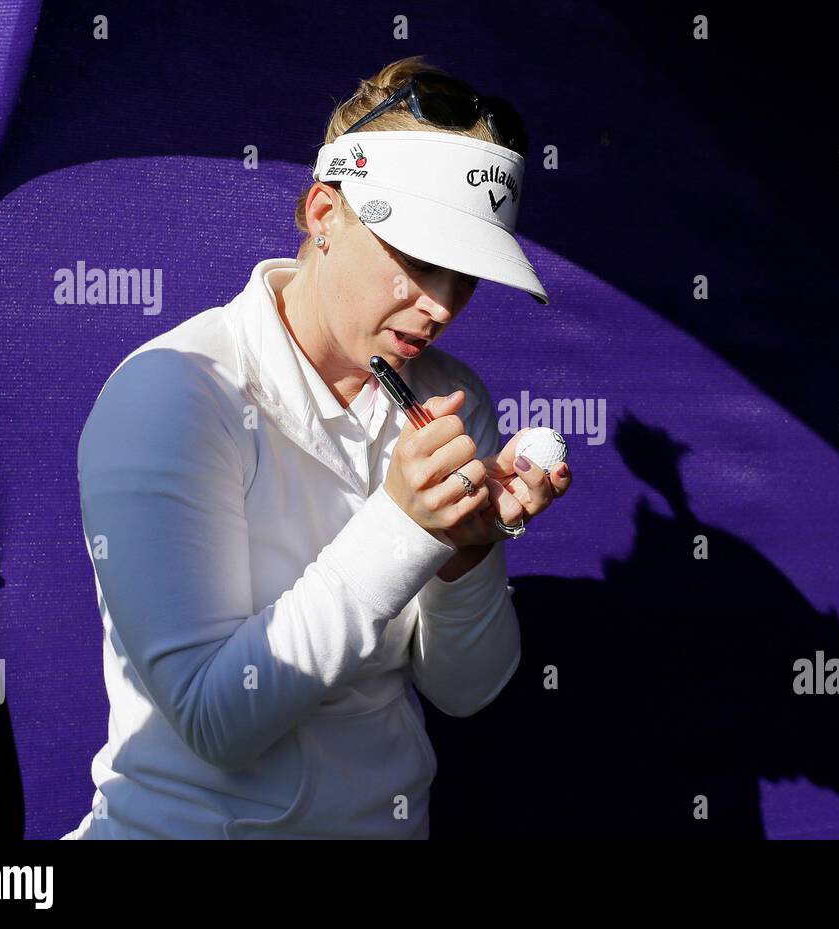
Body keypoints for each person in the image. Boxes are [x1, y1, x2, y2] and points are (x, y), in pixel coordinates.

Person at [62, 56, 571, 839]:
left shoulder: (450, 397)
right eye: (417, 260)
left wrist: (468, 554)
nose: (438, 304)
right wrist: (406, 528)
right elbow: (214, 721)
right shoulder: (173, 392)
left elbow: (465, 691)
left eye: (465, 274)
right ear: (323, 213)